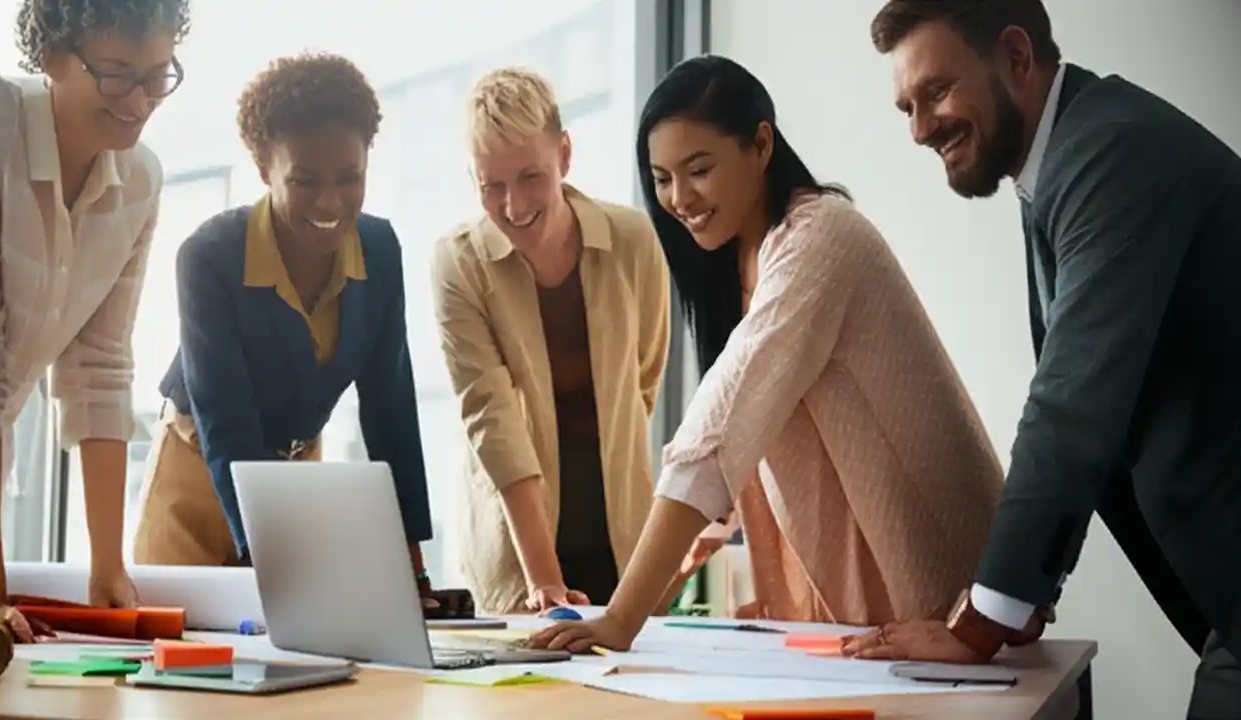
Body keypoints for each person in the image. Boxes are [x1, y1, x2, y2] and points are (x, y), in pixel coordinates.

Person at [530, 54, 1005, 653]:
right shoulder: (734, 265)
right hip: (858, 626)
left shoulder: (819, 238)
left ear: (760, 146)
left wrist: (620, 620)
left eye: (698, 168)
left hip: (955, 614)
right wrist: (635, 600)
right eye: (661, 178)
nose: (679, 198)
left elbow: (717, 429)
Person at [846, 1, 1241, 716]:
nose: (919, 129)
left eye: (935, 92)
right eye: (906, 106)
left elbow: (1072, 404)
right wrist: (1024, 596)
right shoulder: (1069, 156)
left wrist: (984, 621)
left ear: (1017, 58)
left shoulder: (1112, 152)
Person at [130, 53, 436, 602]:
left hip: (296, 472)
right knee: (182, 654)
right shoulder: (209, 256)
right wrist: (268, 560)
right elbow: (225, 420)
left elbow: (390, 409)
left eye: (350, 178)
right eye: (304, 180)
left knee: (300, 654)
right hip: (197, 472)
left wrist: (412, 563)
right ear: (263, 168)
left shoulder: (380, 251)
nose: (330, 202)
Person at [0, 0, 189, 642]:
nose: (140, 100)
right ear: (53, 57)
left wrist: (108, 569)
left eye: (158, 74)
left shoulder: (141, 180)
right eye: (117, 73)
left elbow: (101, 370)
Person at [432, 67, 670, 615]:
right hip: (517, 545)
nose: (513, 207)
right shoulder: (459, 263)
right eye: (491, 185)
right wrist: (545, 581)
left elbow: (645, 379)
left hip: (622, 533)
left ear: (564, 155)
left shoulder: (633, 240)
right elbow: (491, 418)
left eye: (531, 177)